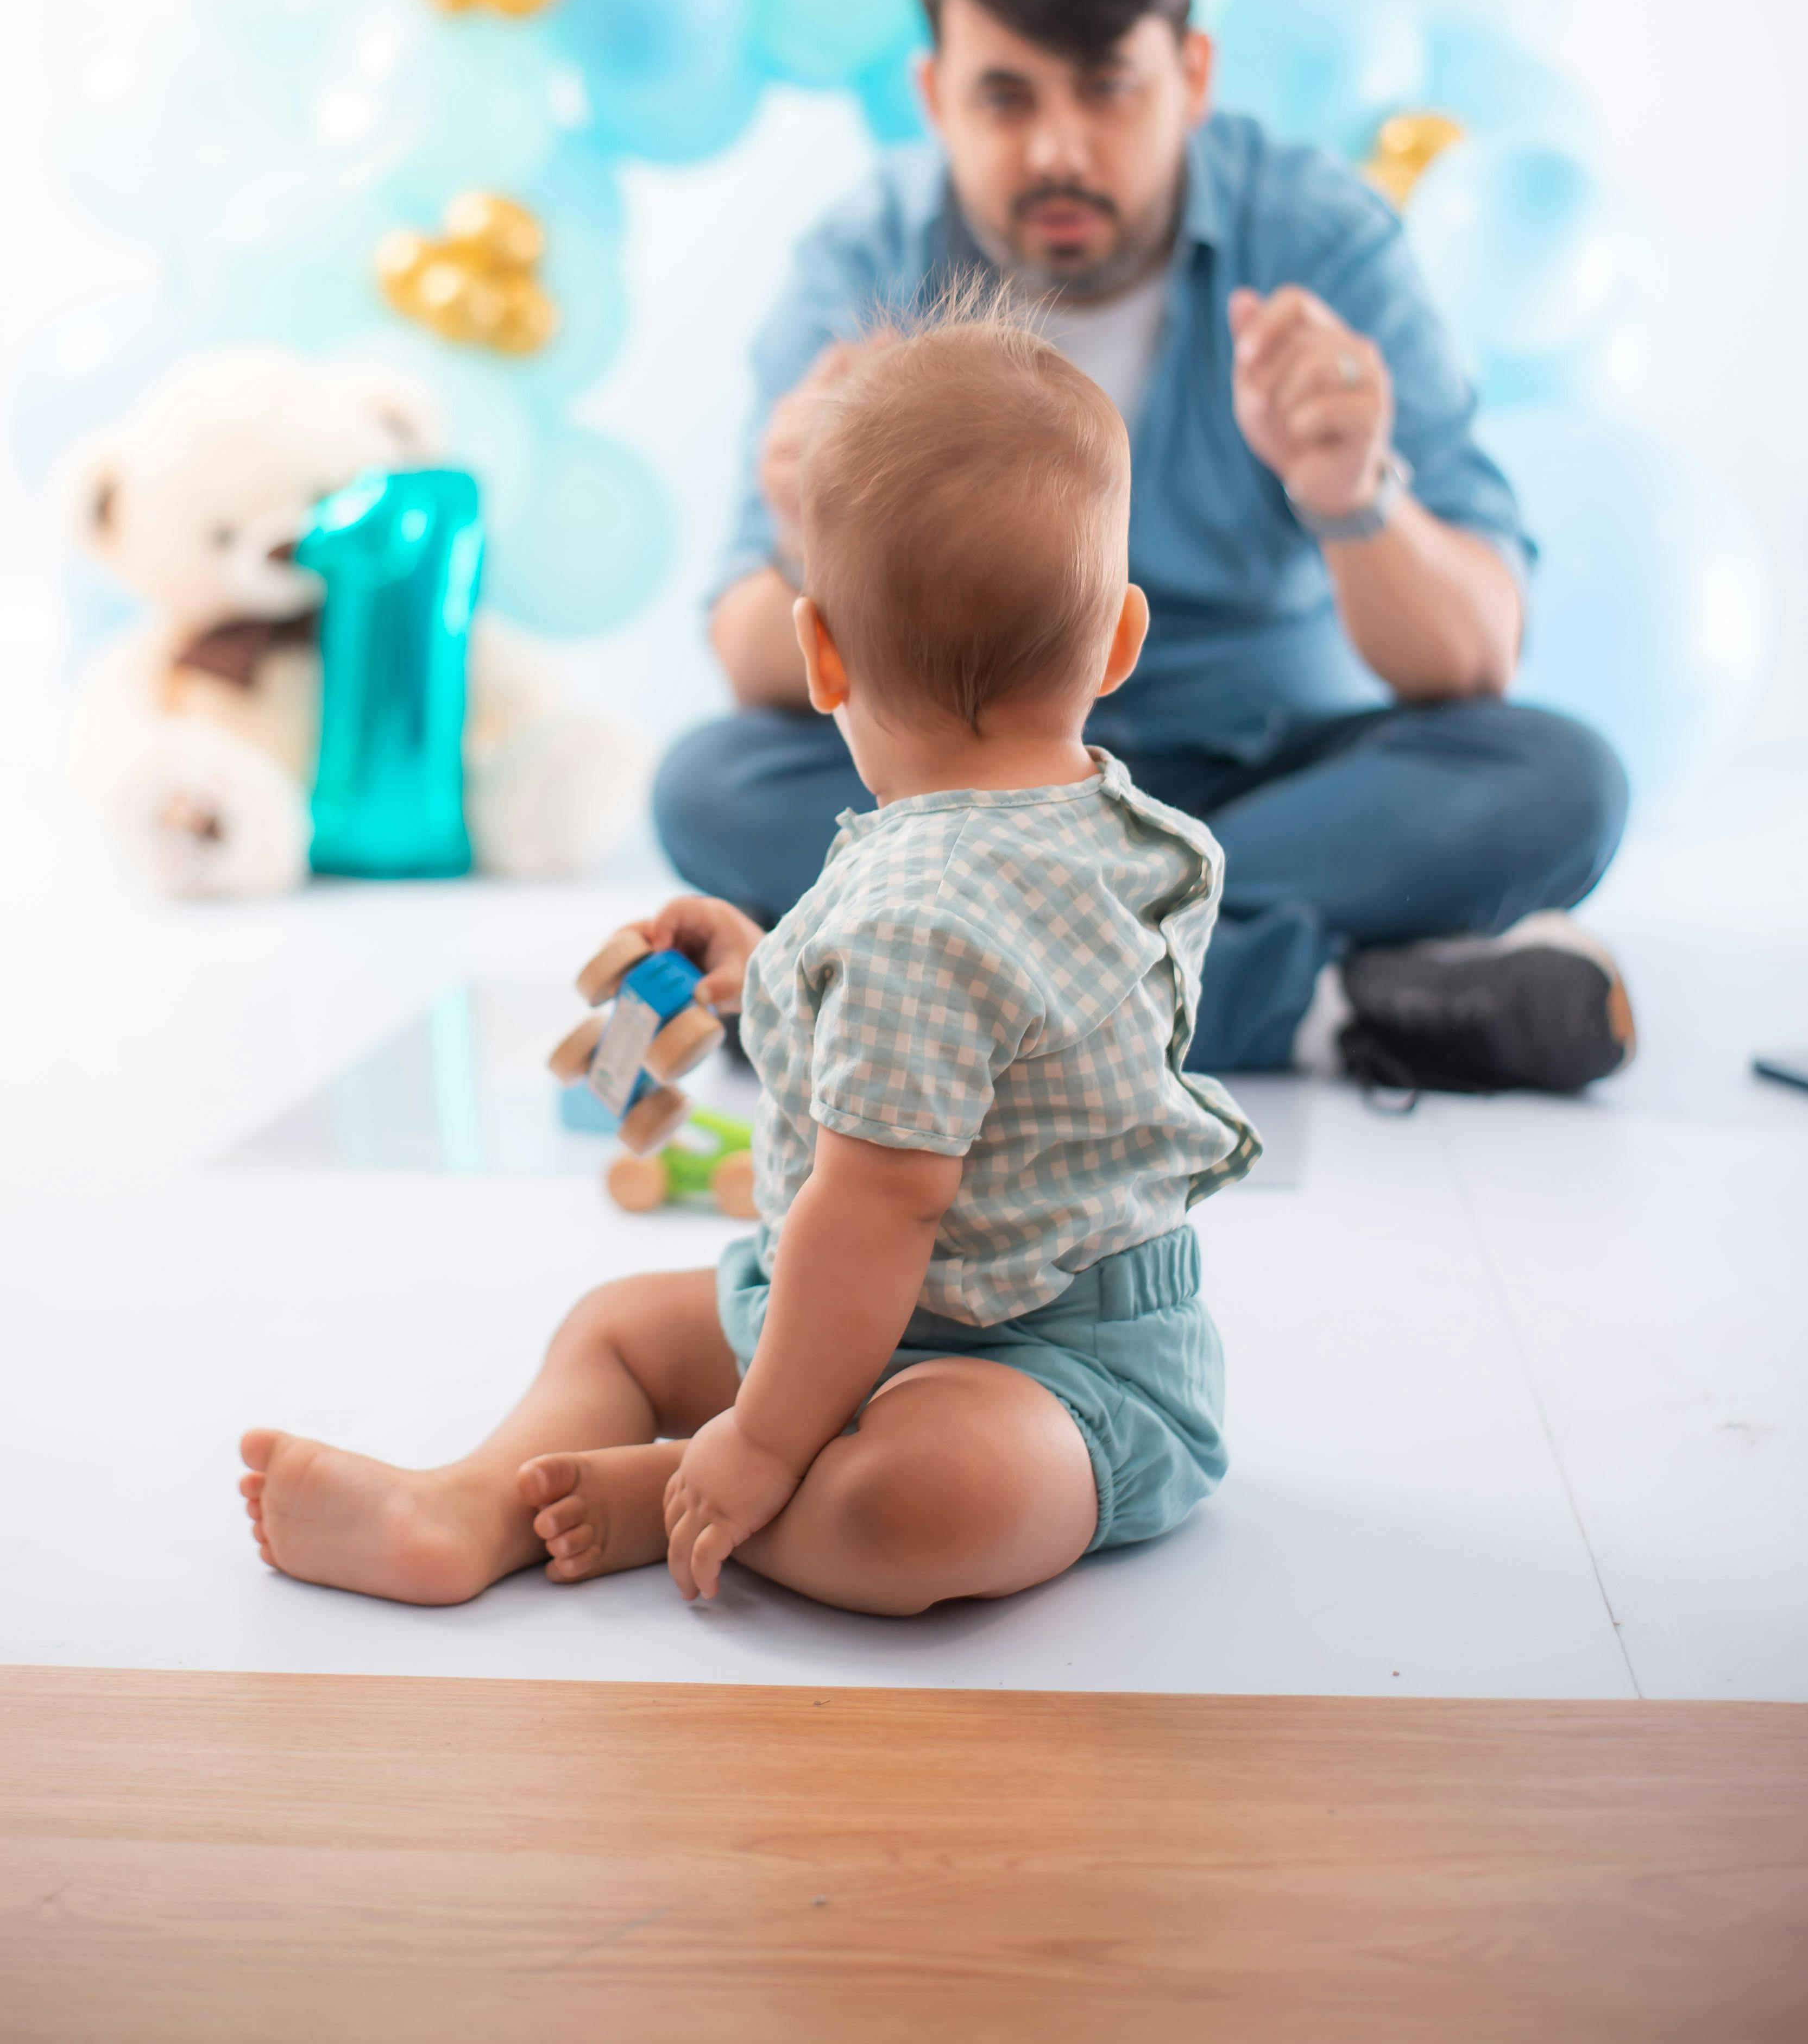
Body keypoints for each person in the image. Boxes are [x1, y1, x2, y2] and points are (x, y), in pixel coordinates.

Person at [240, 308, 1253, 1613]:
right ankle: (473, 1503)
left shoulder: (915, 912)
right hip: (852, 1311)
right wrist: (769, 970)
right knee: (620, 1323)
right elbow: (967, 1028)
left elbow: (882, 1204)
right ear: (1119, 638)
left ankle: (655, 1492)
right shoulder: (1101, 829)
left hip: (1049, 1362)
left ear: (819, 655)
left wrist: (763, 1441)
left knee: (920, 1502)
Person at [654, 0, 1635, 1095]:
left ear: (1193, 75)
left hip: (1262, 779)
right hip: (965, 778)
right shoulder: (865, 260)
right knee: (709, 786)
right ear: (933, 96)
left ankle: (923, 985)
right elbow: (753, 656)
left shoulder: (1318, 237)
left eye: (1108, 88)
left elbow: (1476, 656)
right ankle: (1317, 1004)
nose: (1059, 148)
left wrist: (1352, 493)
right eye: (1004, 98)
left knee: (1559, 783)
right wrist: (808, 536)